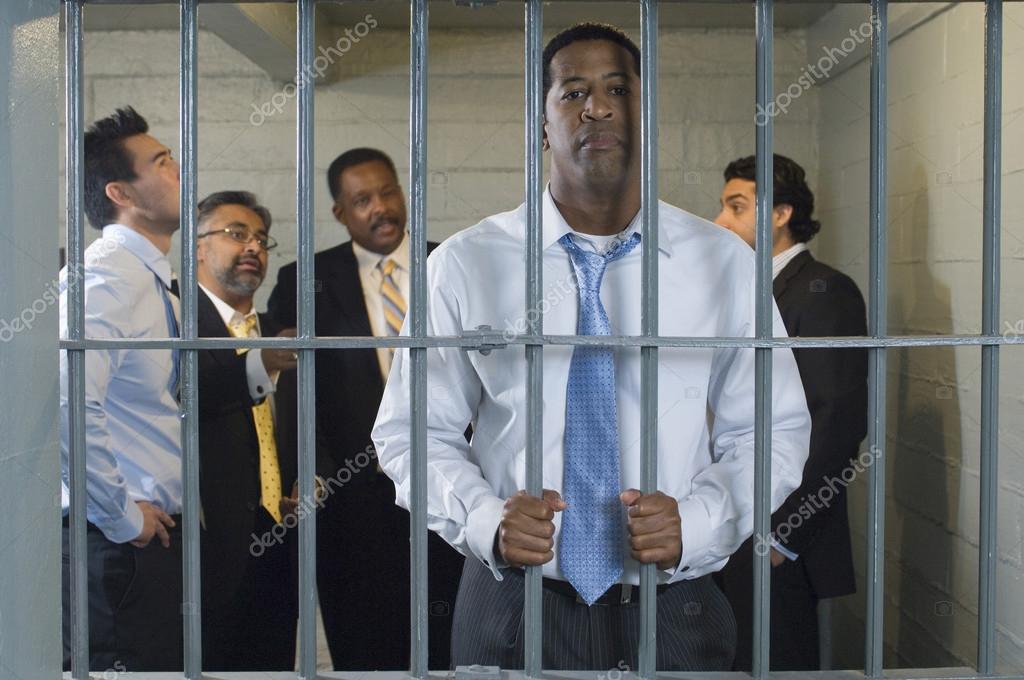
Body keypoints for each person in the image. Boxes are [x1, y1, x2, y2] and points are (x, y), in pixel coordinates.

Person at [372, 23, 811, 671]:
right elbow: (411, 432)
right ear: (543, 123)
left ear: (644, 111)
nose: (597, 106)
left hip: (677, 605)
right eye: (572, 91)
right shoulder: (467, 263)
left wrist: (697, 520)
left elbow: (773, 430)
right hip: (511, 606)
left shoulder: (721, 262)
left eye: (616, 89)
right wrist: (485, 516)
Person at [267, 148, 463, 671]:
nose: (380, 208)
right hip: (353, 509)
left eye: (388, 192)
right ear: (340, 213)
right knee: (365, 655)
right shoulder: (304, 280)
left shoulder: (451, 262)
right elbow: (292, 396)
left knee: (452, 653)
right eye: (362, 200)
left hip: (450, 495)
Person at [712, 154, 868, 670]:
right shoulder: (752, 289)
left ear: (780, 214)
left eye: (737, 207)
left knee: (777, 659)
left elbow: (838, 421)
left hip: (779, 529)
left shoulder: (824, 291)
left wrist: (784, 532)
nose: (721, 222)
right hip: (740, 515)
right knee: (739, 656)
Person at [59, 106, 184, 671]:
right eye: (161, 162)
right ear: (120, 192)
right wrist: (122, 518)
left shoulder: (147, 278)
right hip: (116, 547)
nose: (178, 169)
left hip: (136, 543)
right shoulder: (109, 274)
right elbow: (65, 397)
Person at [194, 190, 298, 671]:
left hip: (279, 533)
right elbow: (188, 393)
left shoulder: (279, 329)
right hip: (205, 540)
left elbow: (304, 420)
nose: (253, 246)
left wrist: (308, 474)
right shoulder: (174, 316)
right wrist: (259, 365)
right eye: (236, 234)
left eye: (260, 238)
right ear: (197, 246)